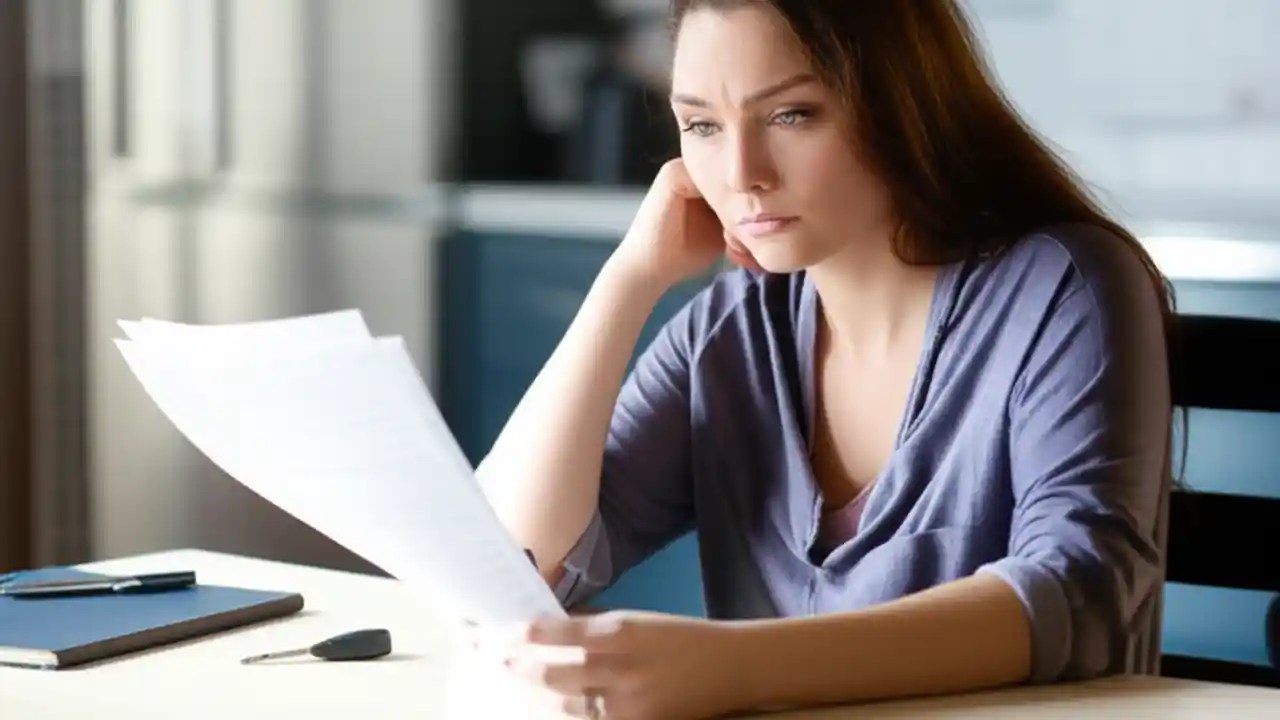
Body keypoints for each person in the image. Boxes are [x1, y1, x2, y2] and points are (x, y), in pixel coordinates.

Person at [474, 1, 1174, 718]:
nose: (742, 173)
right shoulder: (733, 327)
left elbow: (1080, 591)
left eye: (792, 115)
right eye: (703, 127)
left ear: (905, 105)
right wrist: (628, 281)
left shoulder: (1061, 287)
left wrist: (733, 668)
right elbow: (510, 567)